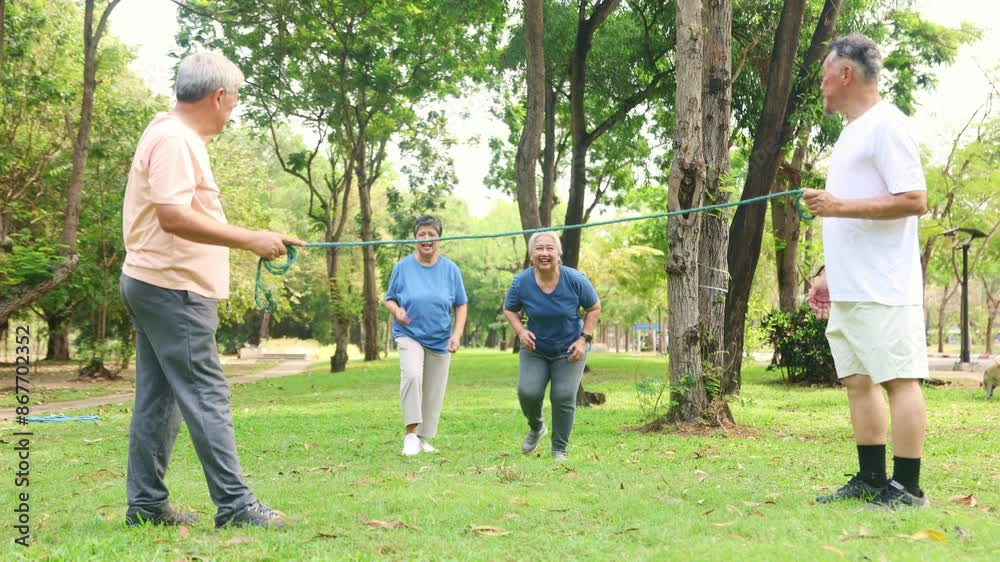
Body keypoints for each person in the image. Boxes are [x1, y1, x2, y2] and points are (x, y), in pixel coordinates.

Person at [120, 52, 304, 528]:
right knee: (206, 395)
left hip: (158, 283)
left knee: (159, 399)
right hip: (172, 288)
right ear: (218, 96)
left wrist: (260, 239)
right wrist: (252, 240)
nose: (233, 109)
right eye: (235, 98)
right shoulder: (175, 139)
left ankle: (146, 506)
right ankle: (237, 506)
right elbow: (173, 215)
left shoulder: (168, 132)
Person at [803, 33, 930, 510]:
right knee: (858, 381)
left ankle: (908, 487)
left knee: (900, 380)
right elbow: (849, 218)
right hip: (851, 284)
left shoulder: (887, 125)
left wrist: (836, 205)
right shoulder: (851, 133)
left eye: (823, 77)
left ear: (845, 74)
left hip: (885, 286)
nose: (821, 87)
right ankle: (872, 477)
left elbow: (913, 199)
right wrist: (828, 272)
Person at [502, 231, 601, 461]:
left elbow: (594, 307)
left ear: (558, 253)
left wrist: (583, 339)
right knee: (528, 392)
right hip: (535, 347)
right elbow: (510, 309)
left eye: (549, 248)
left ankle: (559, 449)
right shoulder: (521, 282)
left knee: (563, 394)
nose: (544, 253)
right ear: (531, 254)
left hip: (570, 348)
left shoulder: (575, 280)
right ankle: (537, 428)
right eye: (539, 249)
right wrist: (521, 331)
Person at [384, 215, 468, 456]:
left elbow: (461, 304)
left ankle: (422, 438)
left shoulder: (451, 270)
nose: (427, 239)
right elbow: (389, 298)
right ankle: (410, 435)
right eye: (422, 234)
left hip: (440, 337)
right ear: (415, 239)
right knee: (412, 376)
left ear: (439, 238)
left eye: (432, 234)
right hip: (408, 333)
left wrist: (457, 335)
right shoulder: (402, 267)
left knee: (433, 389)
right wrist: (396, 310)